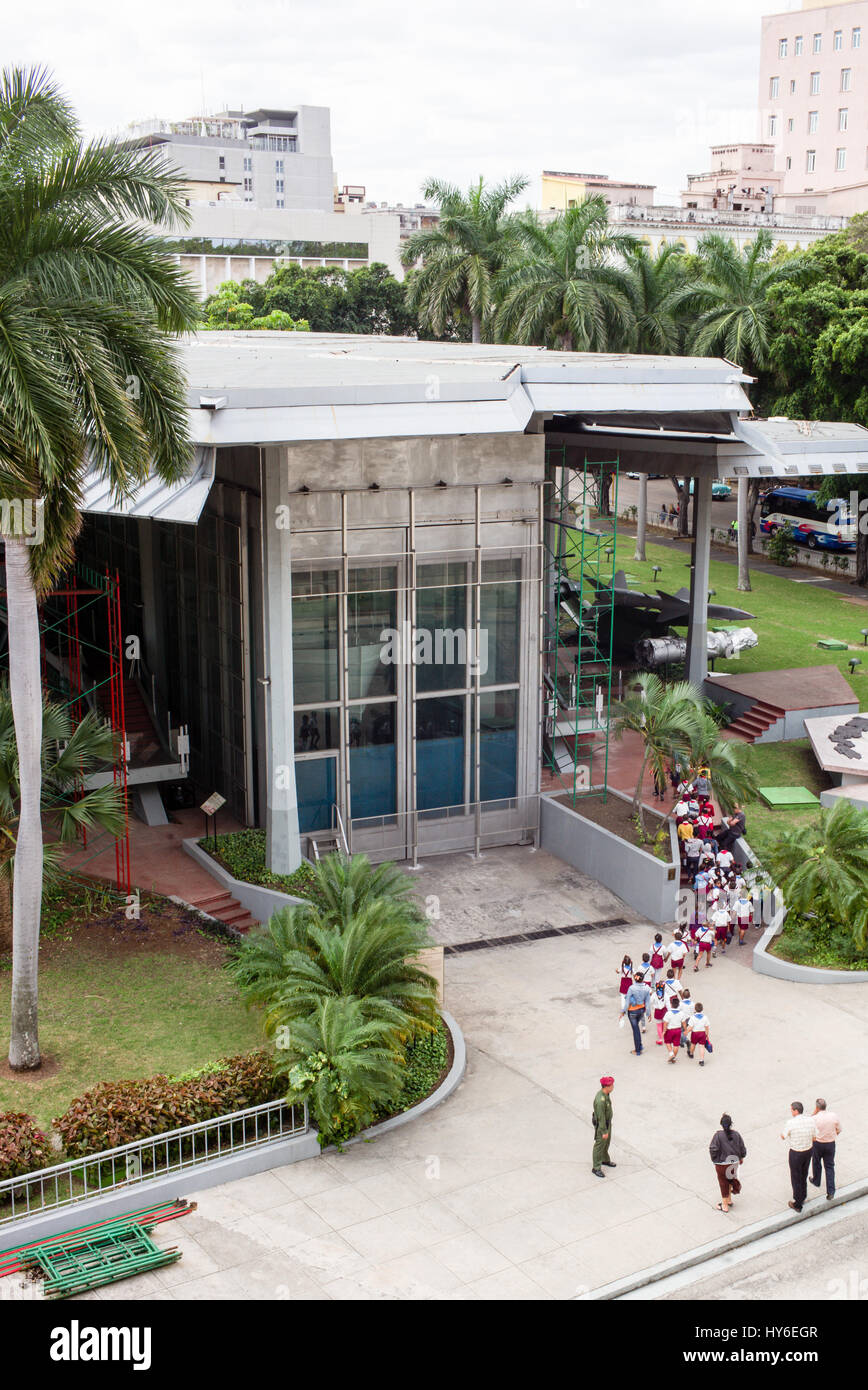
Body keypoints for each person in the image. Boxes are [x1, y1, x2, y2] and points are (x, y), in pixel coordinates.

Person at [781, 1101, 817, 1213]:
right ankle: (803, 1194)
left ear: (796, 1110)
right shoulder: (810, 1120)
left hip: (796, 1152)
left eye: (791, 1109)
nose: (791, 1111)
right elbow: (815, 1137)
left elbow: (783, 1136)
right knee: (804, 1173)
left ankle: (798, 1202)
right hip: (808, 1150)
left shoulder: (790, 1123)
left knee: (796, 1176)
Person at [710, 1113, 747, 1213]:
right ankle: (729, 1200)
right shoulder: (736, 1134)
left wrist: (715, 1160)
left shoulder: (718, 1136)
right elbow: (742, 1148)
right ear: (731, 1124)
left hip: (722, 1164)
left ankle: (724, 1205)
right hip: (734, 1163)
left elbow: (713, 1149)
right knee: (730, 1179)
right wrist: (741, 1157)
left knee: (723, 1183)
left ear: (721, 1124)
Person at [809, 1098, 841, 1201]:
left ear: (817, 1107)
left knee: (816, 1162)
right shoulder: (833, 1116)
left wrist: (814, 1112)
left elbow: (809, 1125)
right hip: (830, 1144)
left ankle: (816, 1180)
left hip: (818, 1144)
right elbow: (839, 1129)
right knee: (829, 1167)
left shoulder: (814, 1118)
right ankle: (831, 1191)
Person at [622, 973, 652, 1055]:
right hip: (641, 1010)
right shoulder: (646, 988)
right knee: (637, 1029)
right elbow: (648, 1003)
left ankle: (638, 1050)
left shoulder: (631, 988)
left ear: (635, 979)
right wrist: (649, 1013)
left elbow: (627, 1001)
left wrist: (623, 1011)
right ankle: (639, 1045)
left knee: (636, 1031)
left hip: (632, 1012)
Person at [592, 1077, 615, 1177]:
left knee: (606, 1143)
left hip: (607, 1123)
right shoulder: (600, 1100)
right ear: (607, 1086)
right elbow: (601, 1118)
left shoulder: (606, 1094)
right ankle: (596, 1167)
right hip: (603, 1125)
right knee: (599, 1145)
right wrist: (604, 1131)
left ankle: (605, 1159)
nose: (613, 1087)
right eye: (612, 1085)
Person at [662, 996, 686, 1063]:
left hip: (670, 1030)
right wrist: (685, 1030)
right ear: (678, 1005)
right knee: (676, 1044)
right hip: (678, 1030)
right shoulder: (681, 1013)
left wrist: (664, 1031)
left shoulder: (668, 1013)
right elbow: (684, 1023)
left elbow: (665, 1023)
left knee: (667, 1042)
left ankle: (671, 1054)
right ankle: (673, 1057)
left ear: (671, 1004)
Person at [686, 1001, 711, 1065]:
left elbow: (690, 1027)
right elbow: (706, 1027)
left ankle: (691, 1054)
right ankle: (701, 1060)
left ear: (695, 1009)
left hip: (695, 1033)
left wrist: (686, 1032)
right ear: (702, 1009)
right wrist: (707, 1034)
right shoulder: (705, 1017)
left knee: (693, 1044)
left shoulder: (692, 1017)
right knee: (702, 1046)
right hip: (702, 1033)